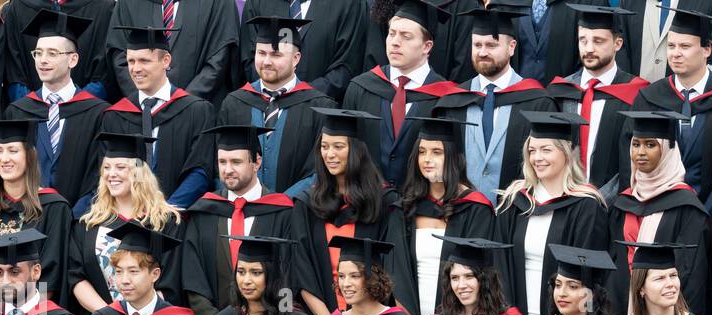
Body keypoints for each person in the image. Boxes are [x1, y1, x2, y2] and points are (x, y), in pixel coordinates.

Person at [625, 8, 712, 226]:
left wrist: (704, 214)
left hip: (711, 218)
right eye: (671, 46)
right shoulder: (649, 97)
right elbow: (631, 158)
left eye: (685, 46)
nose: (675, 53)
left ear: (707, 49)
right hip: (653, 211)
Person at [295, 108, 418, 315]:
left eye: (338, 146)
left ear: (356, 151)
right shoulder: (307, 204)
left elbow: (394, 268)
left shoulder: (384, 202)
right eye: (324, 147)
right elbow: (301, 267)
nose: (329, 154)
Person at [495, 111, 607, 315]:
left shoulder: (586, 206)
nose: (537, 158)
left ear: (566, 153)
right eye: (532, 150)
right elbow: (499, 265)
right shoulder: (514, 201)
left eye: (546, 150)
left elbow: (590, 273)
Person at [179, 124, 302, 315]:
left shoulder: (282, 211)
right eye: (222, 162)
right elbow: (194, 279)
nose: (228, 170)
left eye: (236, 162)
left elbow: (289, 274)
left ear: (257, 162)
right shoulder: (204, 211)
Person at [0, 120, 74, 315]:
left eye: (13, 150)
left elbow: (53, 275)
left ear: (30, 155)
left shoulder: (53, 207)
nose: (4, 158)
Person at [441, 4, 555, 200]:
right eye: (477, 45)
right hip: (462, 212)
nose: (482, 52)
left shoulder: (537, 102)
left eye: (491, 45)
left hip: (515, 214)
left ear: (512, 48)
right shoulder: (454, 101)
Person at [99, 26, 216, 210]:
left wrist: (167, 211)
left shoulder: (197, 111)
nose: (136, 69)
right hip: (128, 221)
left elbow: (200, 171)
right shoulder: (115, 116)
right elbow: (107, 174)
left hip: (177, 219)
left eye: (144, 61)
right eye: (131, 61)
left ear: (166, 60)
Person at [608, 116, 712, 315]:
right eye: (636, 144)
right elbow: (612, 264)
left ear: (666, 151)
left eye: (650, 145)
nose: (641, 152)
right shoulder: (622, 203)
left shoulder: (687, 208)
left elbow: (692, 275)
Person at [3, 9, 111, 206]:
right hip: (27, 218)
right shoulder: (18, 111)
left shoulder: (97, 113)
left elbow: (100, 174)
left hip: (79, 220)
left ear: (73, 59)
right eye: (38, 53)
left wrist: (74, 218)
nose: (43, 60)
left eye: (52, 53)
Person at [69, 132, 184, 314]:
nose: (111, 174)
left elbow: (171, 282)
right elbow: (76, 277)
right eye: (106, 168)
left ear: (138, 174)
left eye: (120, 167)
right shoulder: (88, 223)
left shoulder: (164, 222)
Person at [216, 17, 333, 197]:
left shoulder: (319, 108)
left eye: (276, 55)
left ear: (296, 59)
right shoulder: (234, 103)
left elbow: (320, 170)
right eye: (261, 53)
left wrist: (282, 203)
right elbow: (218, 165)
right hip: (243, 211)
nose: (267, 61)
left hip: (297, 211)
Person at [400, 116, 497, 315]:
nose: (427, 159)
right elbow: (396, 270)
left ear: (453, 157)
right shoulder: (406, 209)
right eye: (422, 152)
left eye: (437, 152)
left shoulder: (475, 209)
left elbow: (480, 274)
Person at [342, 0, 452, 188]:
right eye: (391, 34)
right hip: (366, 206)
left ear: (427, 46)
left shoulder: (447, 98)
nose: (395, 42)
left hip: (422, 209)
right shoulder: (361, 88)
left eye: (406, 36)